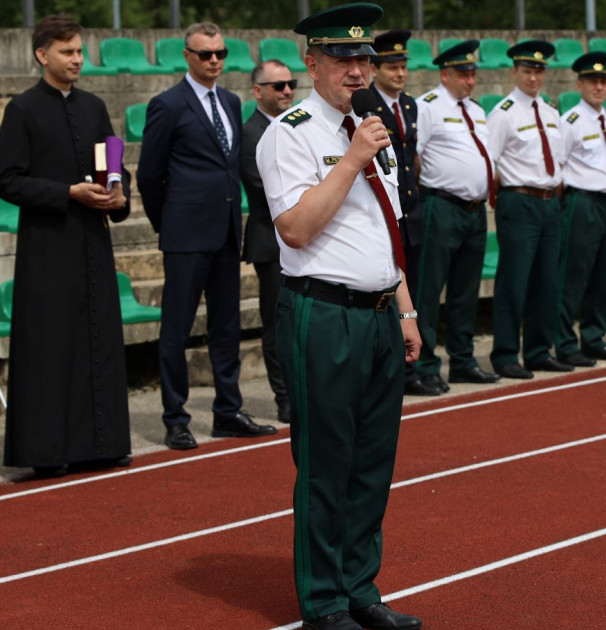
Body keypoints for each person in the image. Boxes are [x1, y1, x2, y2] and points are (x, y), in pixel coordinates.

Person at [255, 4, 423, 629]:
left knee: (373, 464)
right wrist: (351, 159)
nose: (357, 71)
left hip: (380, 314)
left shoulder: (371, 126)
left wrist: (405, 310)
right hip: (324, 314)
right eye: (343, 59)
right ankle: (324, 602)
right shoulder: (290, 133)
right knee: (326, 463)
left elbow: (388, 230)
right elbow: (295, 231)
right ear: (312, 61)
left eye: (364, 59)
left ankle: (360, 589)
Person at [0, 15, 132, 477]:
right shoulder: (22, 109)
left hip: (93, 242)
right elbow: (7, 181)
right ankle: (46, 452)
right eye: (67, 52)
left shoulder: (93, 106)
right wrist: (66, 193)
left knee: (99, 341)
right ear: (42, 55)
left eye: (79, 51)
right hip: (48, 247)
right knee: (52, 347)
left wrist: (119, 192)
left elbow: (112, 163)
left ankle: (102, 443)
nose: (77, 59)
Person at [138, 22, 275, 450]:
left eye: (220, 54)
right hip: (184, 234)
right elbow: (148, 176)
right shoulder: (168, 105)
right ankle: (176, 418)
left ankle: (227, 411)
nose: (214, 60)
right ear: (187, 56)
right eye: (205, 54)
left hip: (226, 233)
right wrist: (170, 224)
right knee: (176, 329)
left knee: (226, 326)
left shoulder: (232, 102)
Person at [413, 39, 501, 390]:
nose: (470, 80)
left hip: (475, 210)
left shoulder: (477, 110)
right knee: (429, 290)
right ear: (445, 74)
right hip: (442, 206)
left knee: (466, 290)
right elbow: (414, 158)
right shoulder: (428, 106)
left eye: (473, 73)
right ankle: (424, 364)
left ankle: (462, 360)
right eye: (463, 74)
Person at [487, 39, 569, 380]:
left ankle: (538, 350)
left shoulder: (551, 113)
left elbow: (560, 160)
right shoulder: (503, 113)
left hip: (550, 202)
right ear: (515, 72)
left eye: (538, 71)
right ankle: (506, 353)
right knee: (514, 281)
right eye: (527, 71)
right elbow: (489, 161)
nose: (533, 78)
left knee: (547, 281)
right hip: (519, 201)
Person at [554, 51, 606, 367]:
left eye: (603, 81)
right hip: (581, 202)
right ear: (580, 84)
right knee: (574, 276)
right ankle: (565, 342)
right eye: (592, 81)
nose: (599, 87)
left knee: (602, 276)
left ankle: (594, 337)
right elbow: (558, 169)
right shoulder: (570, 121)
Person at [370, 30, 434, 397]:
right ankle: (394, 373)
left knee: (415, 296)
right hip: (387, 217)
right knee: (388, 297)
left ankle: (411, 369)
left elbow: (412, 159)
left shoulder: (409, 105)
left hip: (412, 212)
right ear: (375, 68)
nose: (400, 73)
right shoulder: (368, 107)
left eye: (403, 66)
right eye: (392, 66)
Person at [241, 59, 295, 424]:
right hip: (271, 239)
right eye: (278, 86)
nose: (288, 90)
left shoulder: (296, 127)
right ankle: (284, 397)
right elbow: (265, 190)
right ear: (258, 91)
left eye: (291, 84)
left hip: (302, 237)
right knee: (278, 322)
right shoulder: (249, 133)